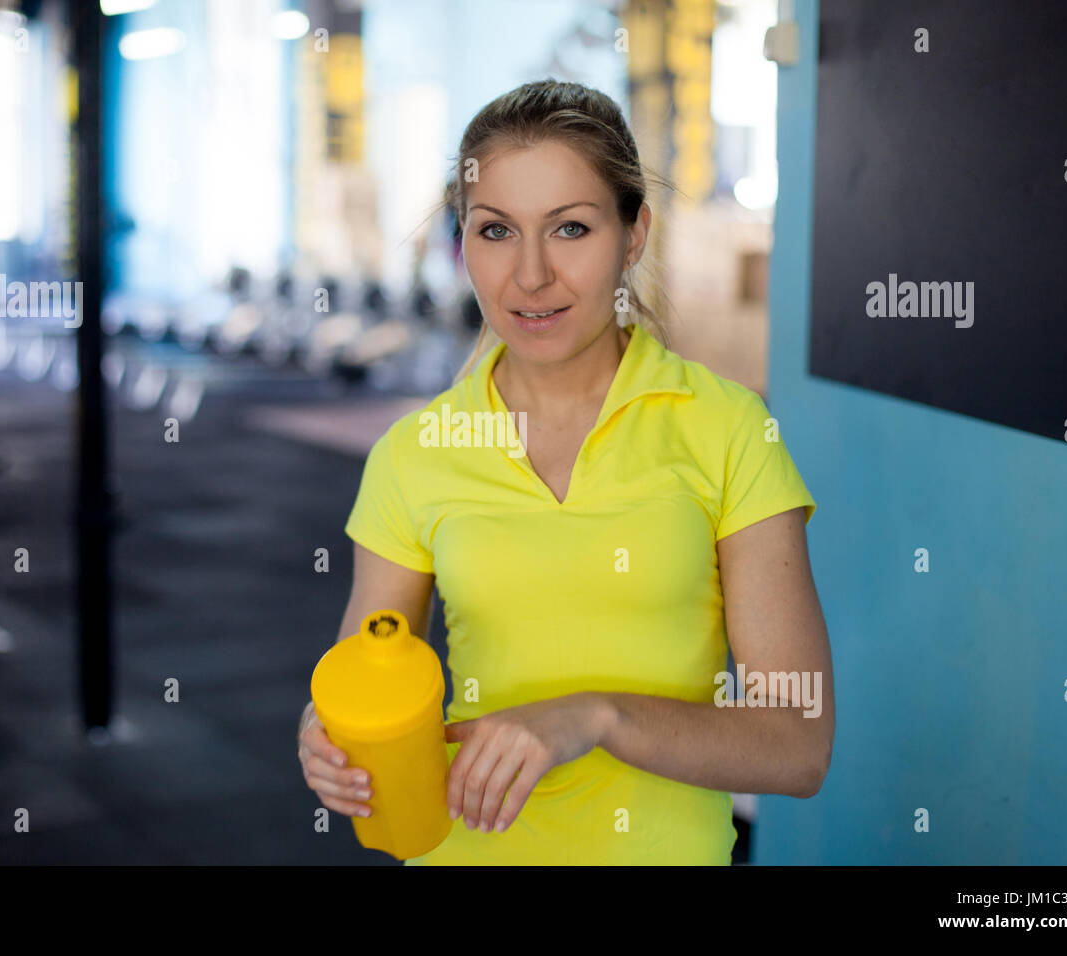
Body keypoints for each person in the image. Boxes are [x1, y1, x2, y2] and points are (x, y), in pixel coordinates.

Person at [297, 79, 833, 864]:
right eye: (495, 232)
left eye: (571, 228)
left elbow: (797, 746)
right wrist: (329, 740)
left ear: (634, 234)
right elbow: (365, 682)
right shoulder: (415, 453)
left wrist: (595, 717)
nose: (531, 275)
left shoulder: (728, 431)